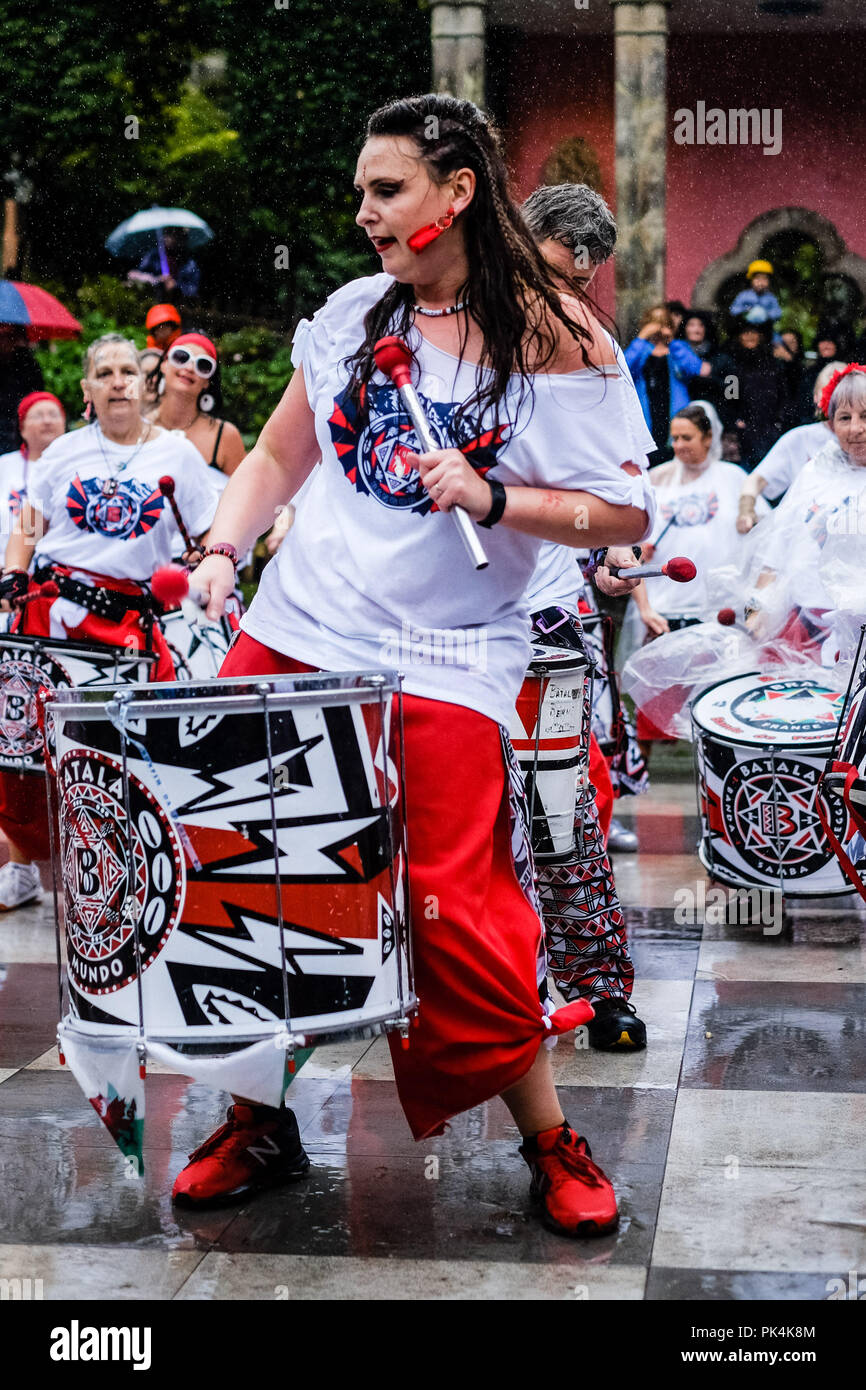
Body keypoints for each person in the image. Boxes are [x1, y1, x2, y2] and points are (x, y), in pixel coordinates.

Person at [172, 93, 654, 1235]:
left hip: (447, 660)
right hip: (300, 631)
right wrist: (221, 550)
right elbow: (280, 455)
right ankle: (259, 1119)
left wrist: (497, 495)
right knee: (248, 878)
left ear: (457, 192)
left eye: (385, 191)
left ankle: (549, 1137)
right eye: (358, 193)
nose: (364, 214)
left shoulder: (556, 337)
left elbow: (618, 509)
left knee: (451, 904)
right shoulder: (348, 317)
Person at [0, 333, 220, 911]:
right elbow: (30, 519)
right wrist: (12, 575)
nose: (118, 379)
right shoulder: (66, 450)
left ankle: (120, 874)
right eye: (105, 372)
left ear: (145, 386)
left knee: (125, 757)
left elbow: (211, 536)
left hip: (129, 628)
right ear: (87, 390)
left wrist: (202, 564)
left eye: (127, 370)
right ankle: (23, 866)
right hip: (52, 614)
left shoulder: (175, 454)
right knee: (25, 754)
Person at [521, 182, 653, 1046]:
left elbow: (626, 488)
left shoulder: (591, 346)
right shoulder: (454, 322)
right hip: (451, 633)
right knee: (474, 821)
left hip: (545, 624)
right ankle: (498, 987)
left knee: (559, 809)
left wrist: (609, 552)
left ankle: (600, 989)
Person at [627, 401, 766, 748]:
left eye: (687, 437)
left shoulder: (734, 479)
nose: (678, 446)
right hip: (664, 612)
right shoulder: (657, 479)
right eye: (674, 438)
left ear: (708, 437)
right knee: (654, 709)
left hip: (717, 615)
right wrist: (645, 607)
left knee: (714, 711)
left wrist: (751, 521)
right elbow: (633, 550)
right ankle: (641, 786)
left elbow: (766, 536)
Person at [744, 363, 866, 658]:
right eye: (844, 417)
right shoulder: (814, 472)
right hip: (806, 617)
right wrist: (759, 606)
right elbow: (780, 541)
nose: (855, 428)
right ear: (831, 423)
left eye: (865, 415)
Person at [737, 361, 843, 532]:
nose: (834, 405)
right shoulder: (801, 438)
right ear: (816, 397)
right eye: (827, 395)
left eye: (842, 398)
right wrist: (746, 511)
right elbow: (756, 479)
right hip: (805, 534)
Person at [147, 332, 245, 479]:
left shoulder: (225, 436)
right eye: (181, 357)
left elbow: (243, 495)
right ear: (164, 365)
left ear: (207, 382)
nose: (190, 367)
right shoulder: (139, 425)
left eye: (203, 365)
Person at [625, 306, 706, 450]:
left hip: (674, 409)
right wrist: (641, 338)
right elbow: (624, 368)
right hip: (646, 409)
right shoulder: (641, 348)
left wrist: (672, 341)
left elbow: (695, 368)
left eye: (662, 322)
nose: (658, 327)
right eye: (654, 322)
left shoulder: (678, 347)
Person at [714, 314, 789, 469]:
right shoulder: (733, 365)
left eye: (753, 332)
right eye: (745, 332)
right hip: (745, 431)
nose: (749, 336)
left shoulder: (773, 365)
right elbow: (730, 397)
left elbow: (783, 395)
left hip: (769, 427)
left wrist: (779, 421)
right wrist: (736, 420)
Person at [0, 391, 66, 546]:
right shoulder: (4, 465)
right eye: (37, 416)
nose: (47, 421)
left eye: (54, 415)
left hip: (56, 564)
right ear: (22, 428)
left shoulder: (76, 465)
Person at [0, 325, 44, 454]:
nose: (4, 341)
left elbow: (36, 393)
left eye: (8, 336)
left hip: (20, 420)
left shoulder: (26, 362)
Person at [128, 229, 200, 302]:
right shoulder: (153, 256)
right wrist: (156, 280)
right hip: (154, 302)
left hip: (179, 304)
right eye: (168, 233)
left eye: (178, 235)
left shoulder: (189, 263)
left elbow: (194, 289)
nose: (170, 237)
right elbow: (134, 275)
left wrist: (176, 286)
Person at [729, 259, 782, 328]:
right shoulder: (744, 295)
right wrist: (745, 311)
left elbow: (777, 313)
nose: (761, 283)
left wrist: (767, 313)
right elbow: (733, 310)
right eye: (757, 279)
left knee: (776, 338)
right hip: (746, 327)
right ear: (751, 280)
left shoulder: (771, 297)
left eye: (764, 279)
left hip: (765, 329)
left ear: (769, 281)